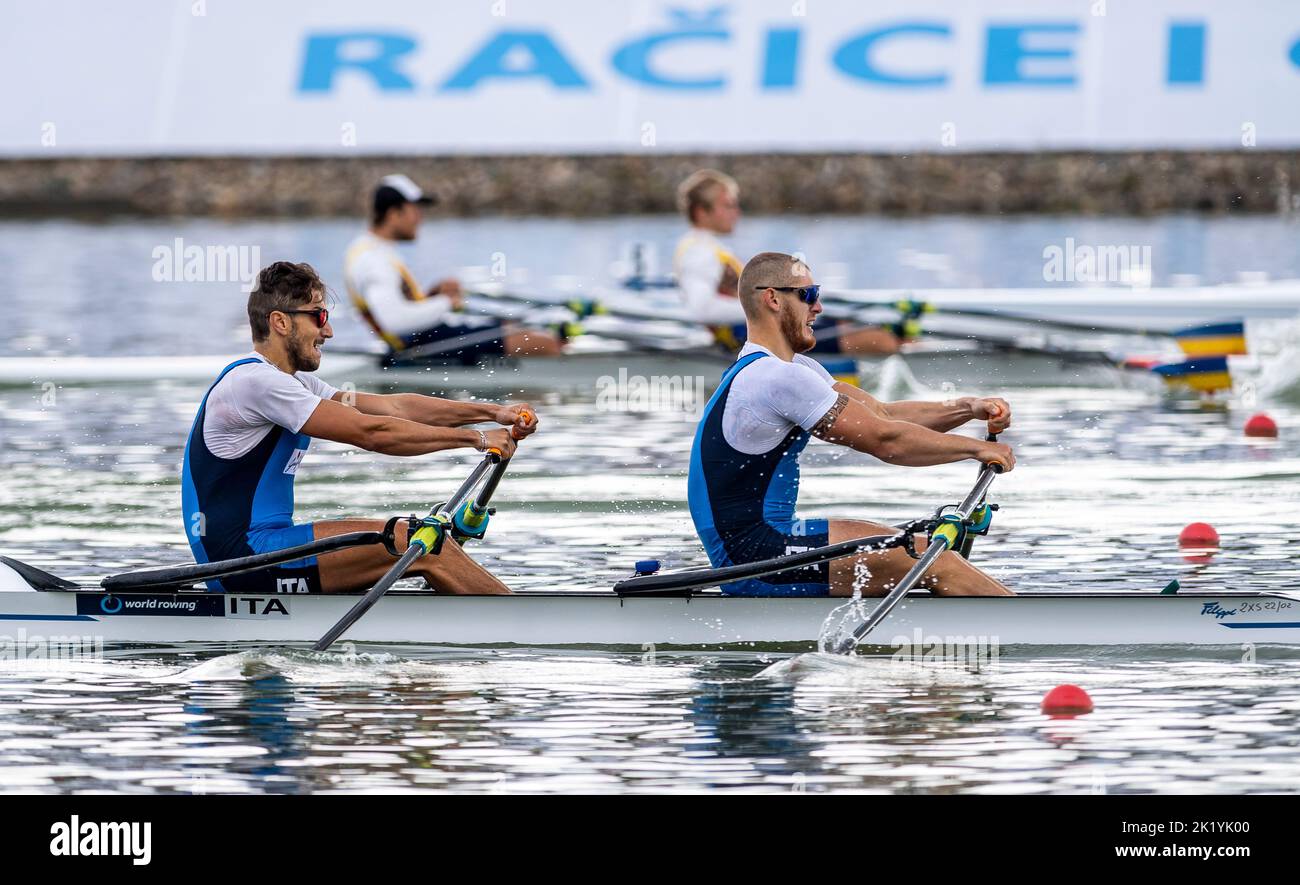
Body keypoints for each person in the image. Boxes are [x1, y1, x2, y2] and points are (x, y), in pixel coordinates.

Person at [182, 261, 536, 596]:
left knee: (424, 539)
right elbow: (373, 433)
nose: (329, 331)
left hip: (261, 550)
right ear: (280, 322)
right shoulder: (257, 383)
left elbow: (394, 407)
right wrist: (476, 438)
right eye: (319, 316)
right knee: (422, 543)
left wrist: (494, 412)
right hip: (245, 560)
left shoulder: (297, 384)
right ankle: (530, 632)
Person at [687, 251, 1015, 598]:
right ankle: (1028, 636)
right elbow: (886, 441)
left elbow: (884, 415)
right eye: (808, 295)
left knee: (925, 553)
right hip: (757, 556)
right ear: (772, 299)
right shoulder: (775, 377)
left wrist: (967, 407)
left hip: (764, 546)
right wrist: (976, 448)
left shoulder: (790, 369)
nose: (818, 308)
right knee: (936, 561)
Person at [672, 169, 898, 355]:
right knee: (880, 339)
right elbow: (701, 309)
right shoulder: (699, 252)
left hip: (763, 328)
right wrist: (771, 308)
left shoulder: (710, 247)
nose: (736, 212)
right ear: (701, 212)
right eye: (728, 205)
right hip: (751, 337)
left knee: (864, 328)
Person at [343, 174, 562, 364]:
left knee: (511, 326)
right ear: (393, 213)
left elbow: (395, 307)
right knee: (544, 343)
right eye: (415, 210)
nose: (420, 217)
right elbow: (395, 323)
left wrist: (432, 296)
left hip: (428, 336)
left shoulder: (372, 250)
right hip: (421, 345)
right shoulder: (373, 260)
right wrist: (446, 302)